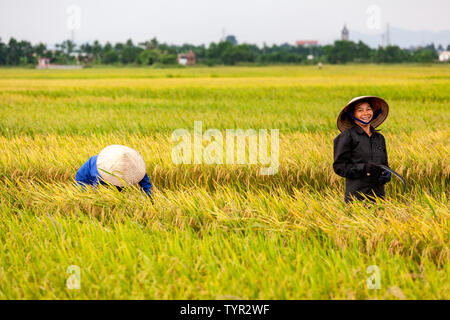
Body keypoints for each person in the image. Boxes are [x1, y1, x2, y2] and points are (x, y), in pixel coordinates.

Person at [333, 96, 391, 203]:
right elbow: (339, 167)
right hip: (357, 199)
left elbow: (384, 164)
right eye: (360, 110)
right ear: (352, 114)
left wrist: (387, 173)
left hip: (379, 197)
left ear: (373, 112)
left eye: (368, 109)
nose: (365, 113)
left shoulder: (379, 138)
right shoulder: (346, 137)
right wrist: (364, 168)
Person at [75, 144, 152, 198]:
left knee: (119, 193)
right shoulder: (101, 170)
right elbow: (96, 191)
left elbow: (145, 183)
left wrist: (149, 197)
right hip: (86, 179)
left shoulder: (136, 167)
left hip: (111, 177)